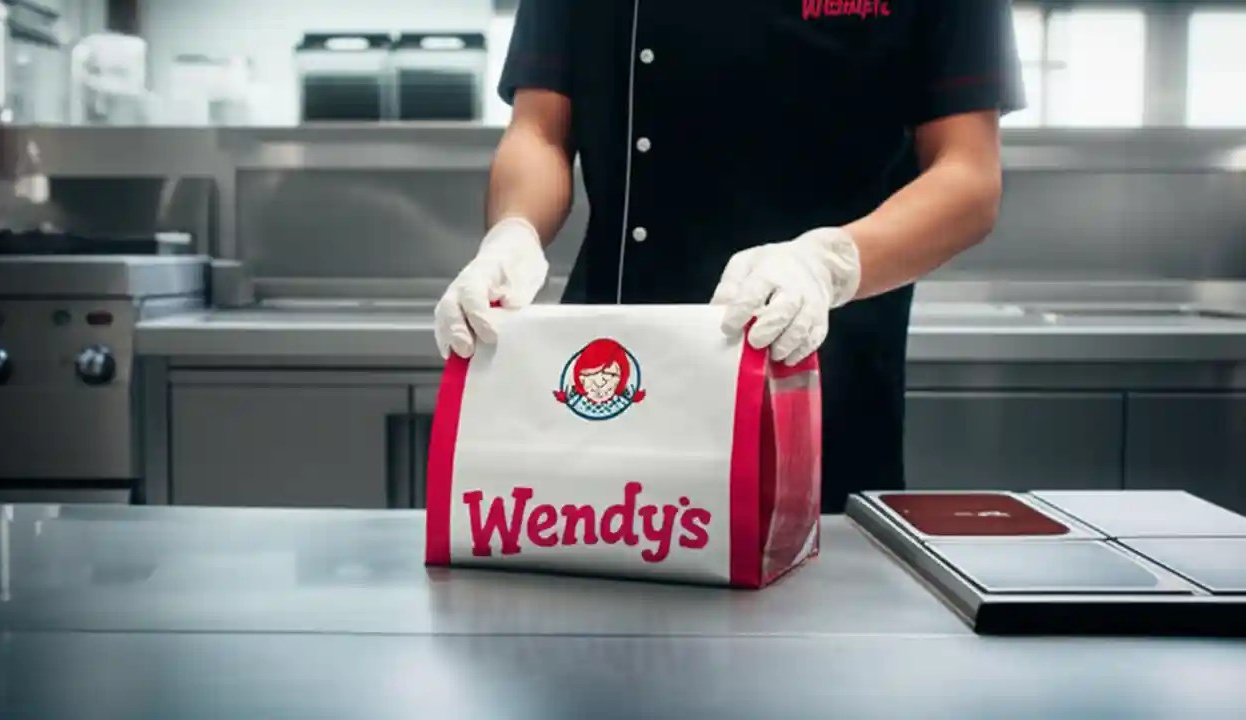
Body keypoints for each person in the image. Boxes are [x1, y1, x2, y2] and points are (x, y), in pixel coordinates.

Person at [434, 0, 1025, 512]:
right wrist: (513, 234)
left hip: (815, 383)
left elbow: (968, 177)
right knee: (593, 632)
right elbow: (541, 130)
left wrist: (827, 264)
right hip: (610, 387)